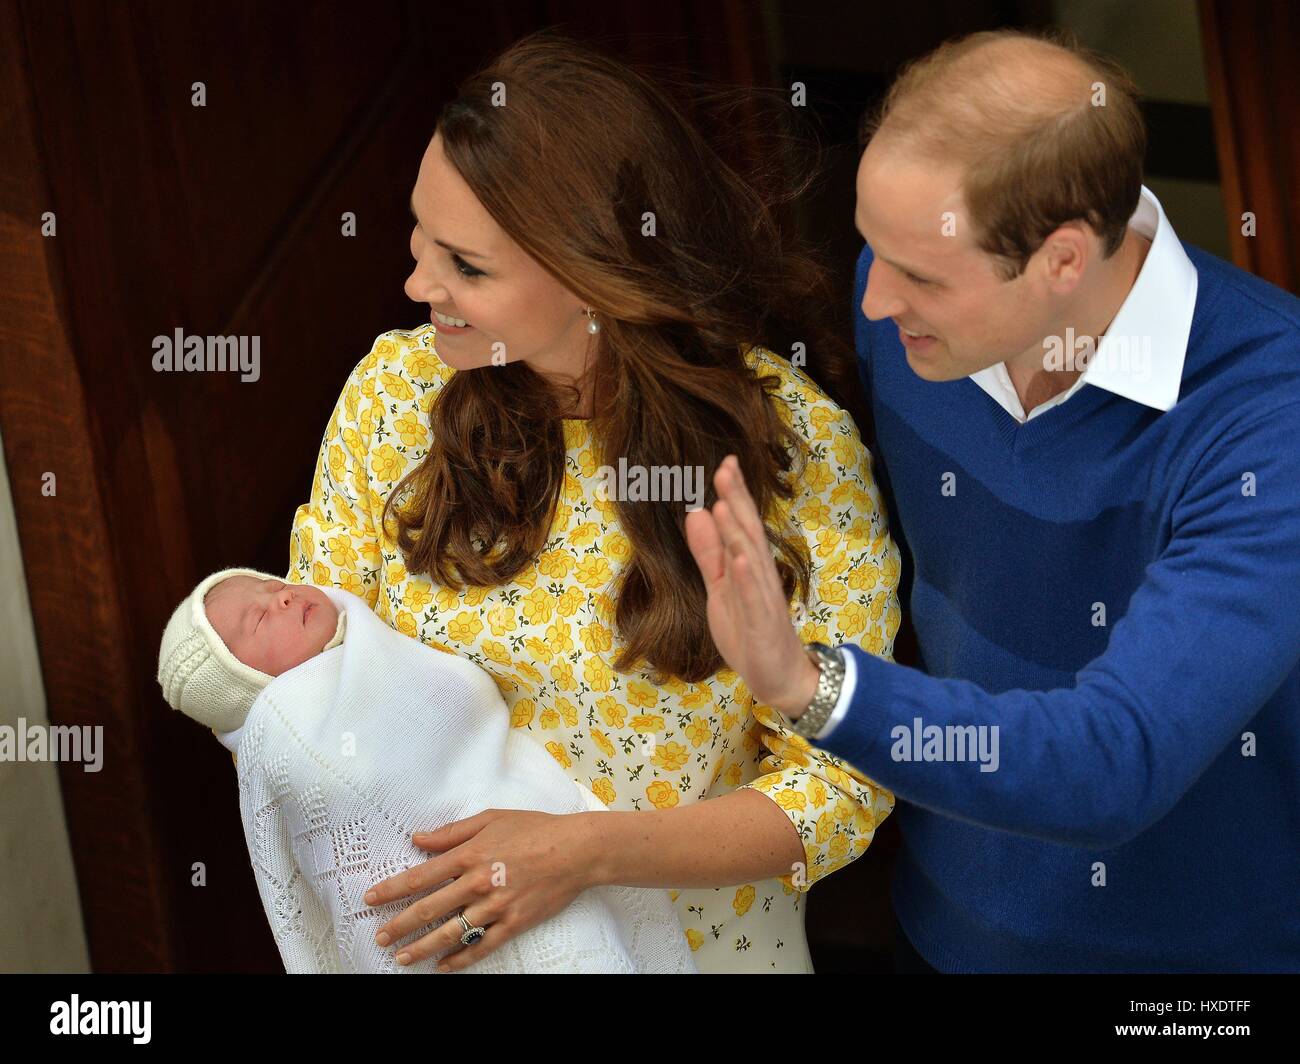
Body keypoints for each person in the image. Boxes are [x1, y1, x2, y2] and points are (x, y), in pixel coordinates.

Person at [286, 29, 902, 973]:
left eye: (467, 266)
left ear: (596, 274)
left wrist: (584, 853)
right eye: (420, 234)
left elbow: (841, 786)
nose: (416, 284)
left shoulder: (790, 450)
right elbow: (302, 690)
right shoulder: (392, 399)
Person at [684, 29, 1300, 973]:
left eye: (921, 275)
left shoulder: (1270, 418)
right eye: (872, 249)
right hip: (937, 930)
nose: (874, 300)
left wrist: (812, 688)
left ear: (1062, 260)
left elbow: (1114, 763)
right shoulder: (911, 317)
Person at [156, 567, 697, 973]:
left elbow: (456, 715)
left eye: (271, 586)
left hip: (545, 847)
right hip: (471, 904)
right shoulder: (293, 733)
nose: (283, 597)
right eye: (258, 619)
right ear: (249, 685)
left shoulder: (369, 647)